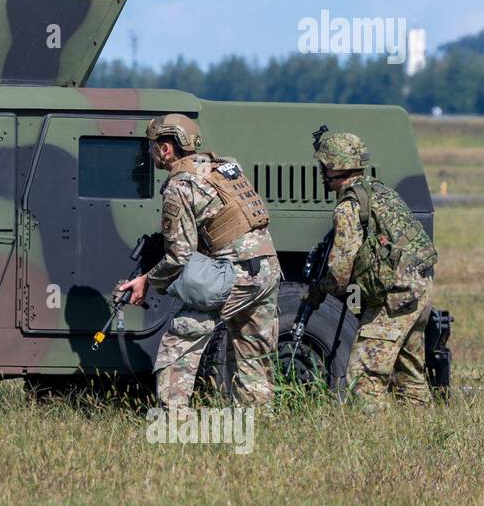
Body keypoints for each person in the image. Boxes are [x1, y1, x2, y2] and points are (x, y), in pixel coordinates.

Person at [115, 114, 279, 418]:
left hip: (235, 271)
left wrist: (147, 280)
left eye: (152, 147)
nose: (150, 153)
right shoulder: (225, 166)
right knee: (254, 352)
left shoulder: (179, 187)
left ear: (166, 149)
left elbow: (179, 255)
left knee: (180, 341)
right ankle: (259, 423)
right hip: (268, 268)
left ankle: (174, 420)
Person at [309, 129, 438, 408]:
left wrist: (318, 292)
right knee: (408, 374)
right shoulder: (380, 191)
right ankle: (424, 436)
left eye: (324, 166)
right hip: (419, 288)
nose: (320, 172)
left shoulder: (348, 207)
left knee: (362, 375)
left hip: (396, 296)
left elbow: (340, 274)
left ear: (334, 167)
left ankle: (376, 440)